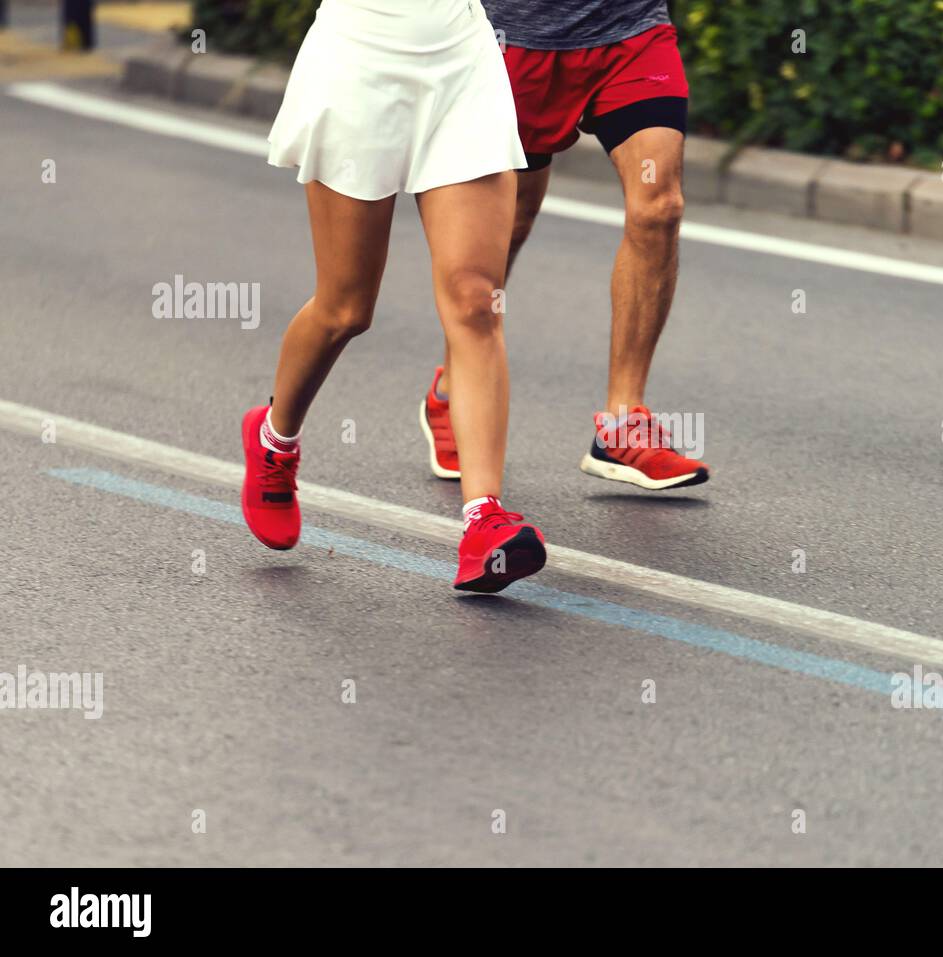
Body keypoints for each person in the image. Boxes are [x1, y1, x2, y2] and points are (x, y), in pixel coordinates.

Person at [242, 0, 546, 593]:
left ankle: (485, 519)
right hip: (358, 63)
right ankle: (274, 439)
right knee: (346, 309)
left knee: (476, 300)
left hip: (461, 63)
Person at [418, 0, 710, 492]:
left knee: (659, 207)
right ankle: (452, 390)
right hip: (511, 38)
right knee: (506, 222)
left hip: (629, 29)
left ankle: (623, 423)